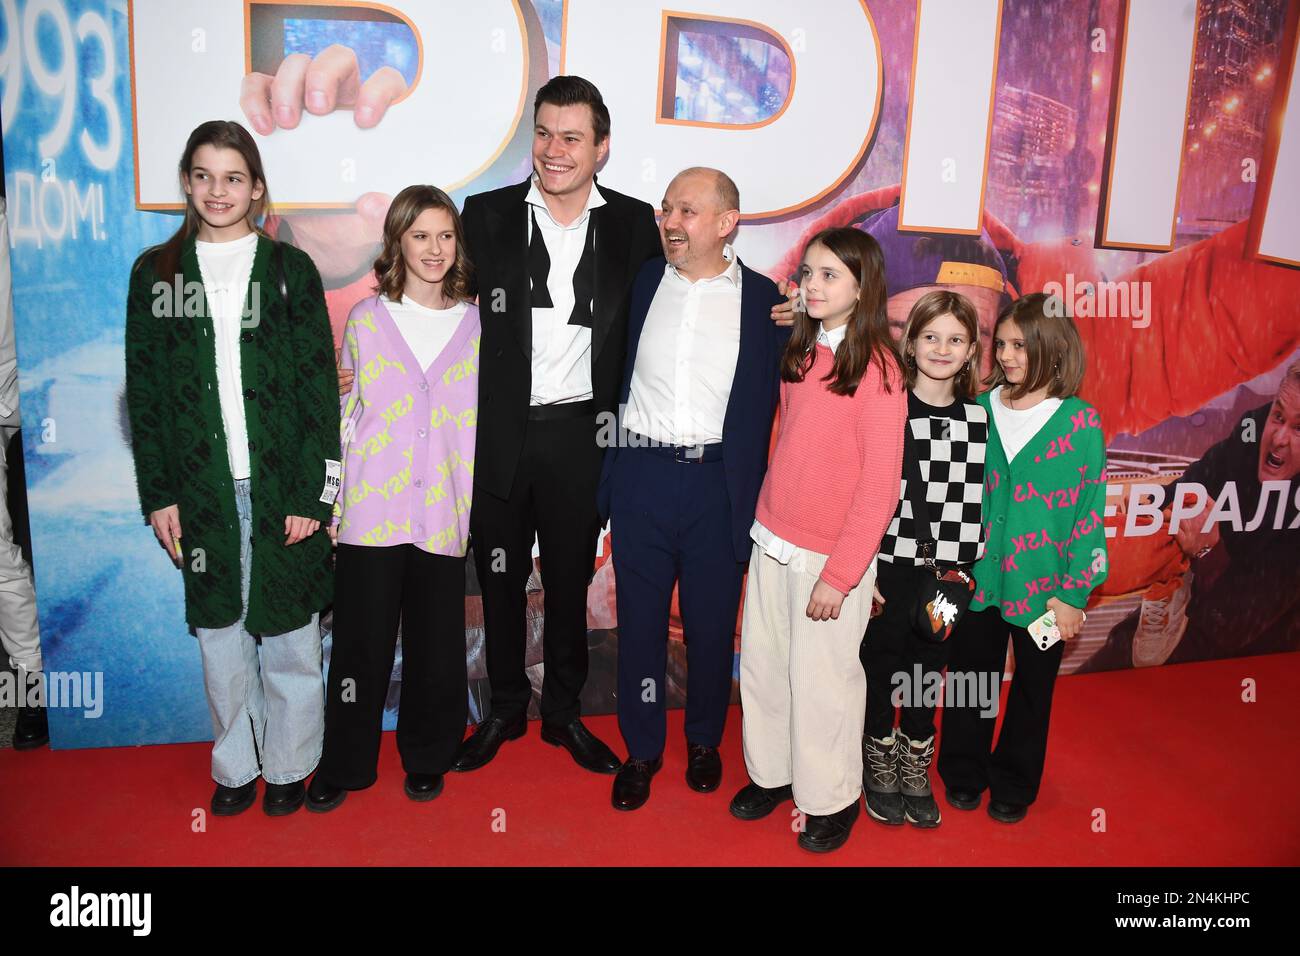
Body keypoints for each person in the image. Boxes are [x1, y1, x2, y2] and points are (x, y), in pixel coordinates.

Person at [124, 120, 340, 816]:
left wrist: (317, 493)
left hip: (282, 489)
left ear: (257, 189)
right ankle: (236, 766)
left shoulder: (288, 271)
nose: (219, 190)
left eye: (234, 177)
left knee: (290, 638)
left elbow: (318, 392)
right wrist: (160, 494)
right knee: (219, 639)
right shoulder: (158, 273)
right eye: (204, 175)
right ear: (188, 182)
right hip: (202, 493)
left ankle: (289, 765)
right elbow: (148, 394)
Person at [451, 76, 662, 774]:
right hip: (499, 432)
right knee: (501, 578)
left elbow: (683, 294)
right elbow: (436, 295)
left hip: (583, 436)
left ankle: (564, 713)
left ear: (601, 147)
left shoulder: (634, 225)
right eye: (543, 133)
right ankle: (507, 708)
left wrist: (779, 311)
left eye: (571, 137)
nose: (553, 149)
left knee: (568, 582)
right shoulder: (484, 215)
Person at [596, 167, 787, 810]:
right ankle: (642, 750)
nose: (670, 223)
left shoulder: (768, 303)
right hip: (641, 477)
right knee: (640, 628)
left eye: (687, 211)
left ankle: (704, 740)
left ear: (727, 222)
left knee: (710, 629)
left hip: (719, 488)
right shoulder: (646, 280)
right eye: (666, 209)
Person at [731, 227, 907, 853]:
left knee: (825, 681)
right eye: (807, 273)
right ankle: (774, 775)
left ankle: (831, 797)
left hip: (830, 559)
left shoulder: (881, 369)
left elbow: (881, 486)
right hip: (772, 537)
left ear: (864, 289)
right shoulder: (801, 354)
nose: (811, 285)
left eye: (830, 275)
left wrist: (842, 574)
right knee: (764, 667)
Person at [307, 185, 480, 812]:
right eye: (420, 236)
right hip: (369, 516)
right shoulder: (365, 321)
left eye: (445, 236)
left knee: (437, 646)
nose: (434, 249)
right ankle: (344, 762)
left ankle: (430, 753)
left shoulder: (478, 325)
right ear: (397, 243)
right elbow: (344, 423)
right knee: (359, 645)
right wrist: (330, 506)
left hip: (442, 512)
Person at [936, 292, 1108, 824]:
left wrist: (1074, 594)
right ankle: (962, 771)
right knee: (971, 679)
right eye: (1003, 344)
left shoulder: (1081, 423)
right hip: (977, 581)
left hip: (1048, 593)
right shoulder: (979, 409)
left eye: (1021, 346)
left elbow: (1088, 513)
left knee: (1033, 689)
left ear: (1052, 349)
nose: (1007, 356)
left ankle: (1015, 780)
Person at [861, 290, 987, 829]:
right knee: (880, 665)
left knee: (928, 669)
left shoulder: (981, 419)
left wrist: (970, 569)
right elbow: (860, 490)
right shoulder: (887, 407)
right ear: (909, 343)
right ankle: (877, 761)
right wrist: (861, 571)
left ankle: (916, 764)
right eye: (931, 336)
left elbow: (985, 497)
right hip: (889, 564)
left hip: (950, 575)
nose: (942, 348)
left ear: (970, 350)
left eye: (955, 339)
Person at [0, 196, 45, 749]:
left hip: (30, 397)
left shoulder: (29, 210)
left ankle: (38, 688)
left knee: (34, 547)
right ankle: (33, 685)